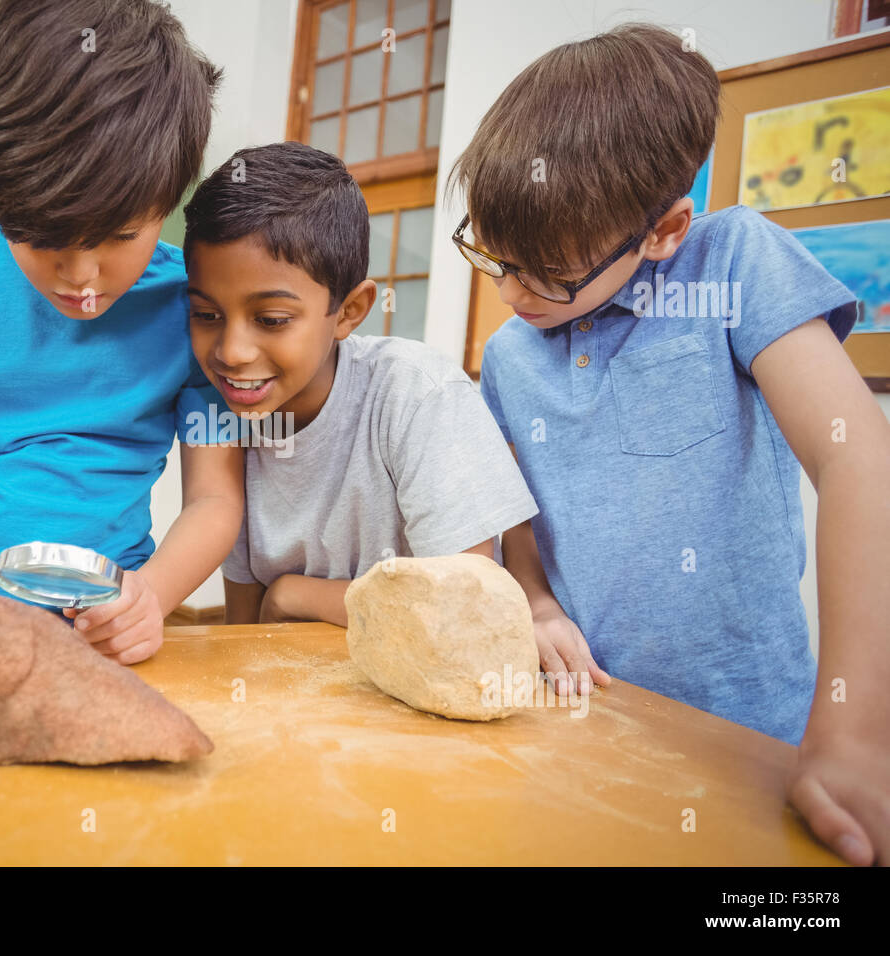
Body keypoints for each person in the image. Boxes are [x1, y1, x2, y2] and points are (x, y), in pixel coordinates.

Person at [451, 23, 889, 864]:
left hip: (748, 734)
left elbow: (856, 457)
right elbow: (516, 508)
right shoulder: (510, 355)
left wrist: (859, 730)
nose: (511, 293)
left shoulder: (733, 265)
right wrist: (535, 603)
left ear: (663, 231)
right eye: (494, 258)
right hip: (582, 722)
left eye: (547, 273)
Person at [0, 0, 243, 681]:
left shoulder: (198, 304)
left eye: (122, 236)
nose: (83, 279)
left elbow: (214, 498)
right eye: (39, 238)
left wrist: (150, 597)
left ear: (170, 196)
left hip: (105, 635)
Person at [183, 141, 538, 627]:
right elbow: (245, 636)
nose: (231, 352)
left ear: (349, 311)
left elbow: (467, 607)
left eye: (270, 319)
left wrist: (293, 596)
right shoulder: (223, 419)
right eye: (206, 314)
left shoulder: (414, 394)